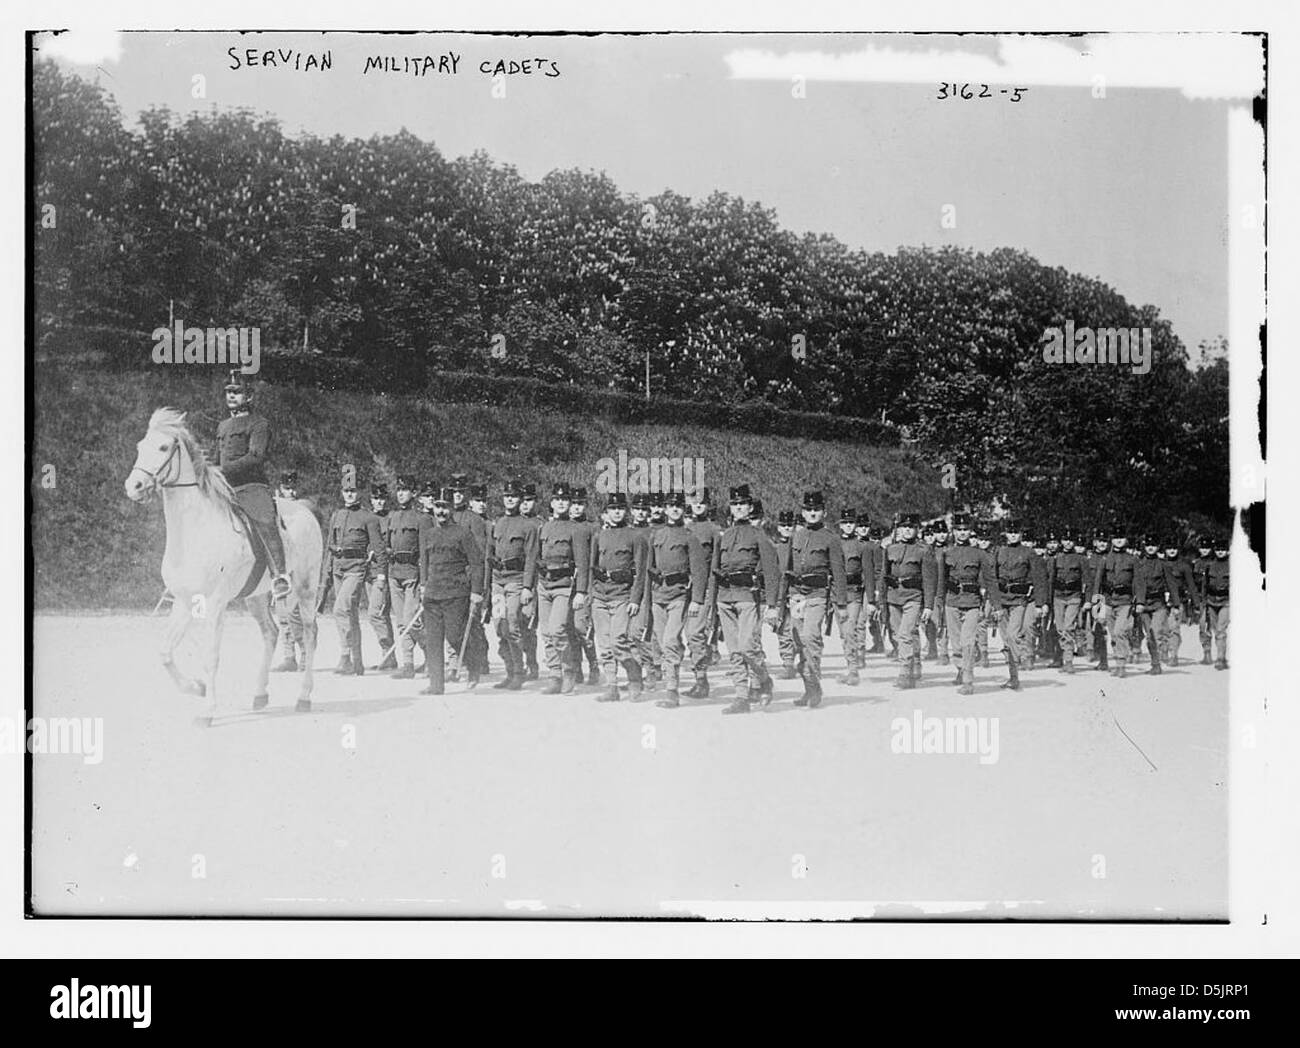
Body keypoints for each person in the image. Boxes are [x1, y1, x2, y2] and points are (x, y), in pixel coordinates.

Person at [215, 371, 291, 600]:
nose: (231, 396)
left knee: (265, 520)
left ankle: (280, 575)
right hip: (223, 486)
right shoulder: (223, 425)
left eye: (237, 392)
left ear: (248, 396)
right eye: (229, 391)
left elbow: (256, 457)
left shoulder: (259, 423)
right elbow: (214, 455)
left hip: (251, 486)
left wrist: (223, 470)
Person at [714, 484, 780, 715]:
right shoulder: (725, 535)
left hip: (747, 597)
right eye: (735, 504)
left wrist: (772, 606)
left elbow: (772, 572)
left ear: (750, 507)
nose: (739, 508)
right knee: (733, 651)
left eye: (743, 504)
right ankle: (741, 696)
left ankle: (763, 678)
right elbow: (715, 569)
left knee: (747, 648)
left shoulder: (758, 535)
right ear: (730, 508)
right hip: (724, 598)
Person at [781, 491, 848, 707]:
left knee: (811, 637)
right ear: (802, 512)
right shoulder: (796, 536)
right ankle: (809, 688)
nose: (812, 513)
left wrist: (841, 603)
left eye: (816, 509)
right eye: (808, 509)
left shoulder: (831, 538)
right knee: (799, 640)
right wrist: (780, 601)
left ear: (824, 512)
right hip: (797, 594)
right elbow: (787, 569)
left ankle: (814, 680)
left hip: (818, 594)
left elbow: (838, 573)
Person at [416, 487, 485, 694]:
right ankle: (436, 685)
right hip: (432, 595)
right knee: (433, 639)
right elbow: (424, 562)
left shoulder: (463, 533)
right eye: (438, 507)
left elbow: (477, 563)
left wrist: (476, 591)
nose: (441, 512)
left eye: (445, 507)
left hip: (456, 594)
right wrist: (422, 585)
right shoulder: (429, 534)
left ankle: (474, 666)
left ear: (452, 508)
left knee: (455, 636)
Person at [527, 483, 591, 695]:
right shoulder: (542, 528)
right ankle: (554, 675)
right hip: (544, 585)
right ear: (552, 503)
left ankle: (569, 669)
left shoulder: (577, 529)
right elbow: (532, 558)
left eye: (566, 500)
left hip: (565, 586)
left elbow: (582, 564)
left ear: (570, 503)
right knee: (546, 632)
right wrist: (527, 586)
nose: (562, 503)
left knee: (558, 629)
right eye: (558, 500)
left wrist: (581, 592)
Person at [318, 477, 387, 676]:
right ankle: (357, 662)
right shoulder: (336, 515)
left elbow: (379, 548)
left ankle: (345, 655)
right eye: (347, 490)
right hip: (339, 568)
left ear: (359, 493)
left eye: (354, 490)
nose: (350, 494)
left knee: (340, 609)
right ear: (341, 492)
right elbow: (330, 546)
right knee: (351, 615)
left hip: (357, 569)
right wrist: (327, 575)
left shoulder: (368, 518)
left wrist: (381, 575)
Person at [646, 492, 708, 708]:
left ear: (684, 509)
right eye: (671, 505)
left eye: (678, 506)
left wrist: (696, 600)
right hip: (658, 595)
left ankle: (671, 690)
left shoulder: (689, 537)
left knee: (670, 640)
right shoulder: (656, 535)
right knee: (663, 642)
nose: (675, 509)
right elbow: (648, 569)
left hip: (679, 596)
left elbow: (699, 572)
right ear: (664, 509)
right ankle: (673, 673)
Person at [589, 493, 648, 701]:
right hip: (600, 596)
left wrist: (635, 599)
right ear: (606, 512)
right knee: (604, 644)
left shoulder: (635, 537)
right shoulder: (599, 536)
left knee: (618, 641)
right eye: (613, 508)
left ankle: (634, 676)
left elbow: (641, 572)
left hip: (622, 595)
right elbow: (592, 566)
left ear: (626, 511)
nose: (616, 512)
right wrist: (591, 594)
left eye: (620, 508)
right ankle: (611, 686)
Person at [937, 512, 998, 695]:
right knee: (956, 643)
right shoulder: (946, 553)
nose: (962, 533)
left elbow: (990, 579)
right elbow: (941, 580)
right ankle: (961, 669)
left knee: (968, 641)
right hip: (952, 602)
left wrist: (997, 605)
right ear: (953, 531)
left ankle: (968, 680)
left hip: (972, 602)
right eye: (958, 529)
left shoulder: (979, 554)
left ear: (970, 532)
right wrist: (939, 603)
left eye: (965, 530)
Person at [876, 512, 937, 690]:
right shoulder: (890, 549)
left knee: (905, 633)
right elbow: (883, 576)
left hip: (913, 596)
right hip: (893, 597)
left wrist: (928, 606)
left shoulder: (924, 551)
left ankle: (904, 672)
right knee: (897, 633)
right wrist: (881, 601)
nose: (907, 530)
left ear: (917, 529)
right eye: (904, 527)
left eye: (911, 527)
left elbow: (929, 580)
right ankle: (915, 661)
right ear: (898, 529)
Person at [491, 478, 539, 691]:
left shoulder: (528, 526)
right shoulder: (499, 523)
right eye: (507, 496)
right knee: (499, 626)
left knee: (512, 623)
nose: (510, 499)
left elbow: (531, 558)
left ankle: (520, 672)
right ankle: (509, 671)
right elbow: (490, 554)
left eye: (514, 497)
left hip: (517, 580)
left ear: (520, 500)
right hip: (498, 581)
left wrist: (528, 587)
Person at [991, 519, 1048, 690]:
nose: (1013, 535)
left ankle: (1015, 674)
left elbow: (1039, 579)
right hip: (1002, 600)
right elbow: (991, 578)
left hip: (1019, 600)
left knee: (1012, 635)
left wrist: (1040, 603)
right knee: (1006, 638)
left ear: (1021, 535)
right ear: (1006, 534)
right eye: (1010, 532)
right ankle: (1013, 676)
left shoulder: (1029, 553)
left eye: (1016, 533)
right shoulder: (998, 552)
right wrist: (994, 602)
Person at [384, 476, 430, 680]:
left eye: (405, 490)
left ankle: (431, 655)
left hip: (413, 572)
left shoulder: (422, 519)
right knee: (402, 622)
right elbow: (386, 545)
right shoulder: (392, 517)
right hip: (395, 573)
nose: (401, 493)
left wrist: (425, 581)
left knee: (412, 620)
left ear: (414, 494)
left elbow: (425, 552)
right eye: (399, 490)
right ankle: (408, 663)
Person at [684, 488, 723, 696]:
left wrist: (713, 593)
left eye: (702, 502)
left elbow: (717, 563)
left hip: (706, 587)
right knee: (684, 635)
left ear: (708, 505)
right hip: (684, 588)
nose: (698, 506)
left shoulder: (715, 531)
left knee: (695, 633)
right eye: (694, 502)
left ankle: (702, 680)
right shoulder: (685, 528)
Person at [1091, 526, 1139, 678]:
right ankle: (1119, 660)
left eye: (1121, 538)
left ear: (1126, 540)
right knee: (1113, 634)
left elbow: (1138, 582)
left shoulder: (1132, 560)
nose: (1119, 541)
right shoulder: (1105, 559)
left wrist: (1140, 602)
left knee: (1120, 632)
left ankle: (1121, 664)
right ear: (1112, 540)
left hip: (1125, 601)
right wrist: (1096, 606)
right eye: (1116, 538)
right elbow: (1098, 583)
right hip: (1109, 602)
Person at [271, 470, 306, 672]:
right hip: (281, 567)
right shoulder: (275, 511)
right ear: (280, 489)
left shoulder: (303, 511)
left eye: (293, 488)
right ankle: (288, 656)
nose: (290, 492)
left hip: (299, 566)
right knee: (282, 612)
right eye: (286, 488)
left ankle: (305, 654)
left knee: (298, 613)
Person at [567, 487, 602, 684]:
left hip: (586, 583)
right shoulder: (561, 525)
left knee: (582, 627)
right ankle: (576, 666)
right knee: (568, 627)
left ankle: (593, 664)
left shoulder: (592, 528)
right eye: (573, 503)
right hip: (565, 583)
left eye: (580, 504)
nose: (576, 507)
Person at [1049, 529, 1089, 674]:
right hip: (1058, 596)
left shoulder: (1081, 559)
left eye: (1070, 540)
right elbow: (1051, 580)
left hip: (1074, 596)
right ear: (1061, 542)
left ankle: (1069, 660)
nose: (1068, 543)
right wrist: (1048, 601)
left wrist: (1087, 600)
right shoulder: (1056, 558)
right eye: (1065, 540)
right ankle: (1062, 657)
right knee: (1060, 628)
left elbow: (1087, 580)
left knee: (1068, 627)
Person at [366, 482, 396, 671]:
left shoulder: (391, 519)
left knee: (374, 614)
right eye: (376, 499)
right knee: (381, 614)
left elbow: (396, 545)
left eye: (382, 498)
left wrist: (383, 551)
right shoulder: (367, 518)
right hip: (369, 573)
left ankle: (389, 652)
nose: (379, 502)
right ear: (371, 500)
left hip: (385, 572)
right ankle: (389, 656)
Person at [837, 507, 869, 685]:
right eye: (845, 523)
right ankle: (850, 664)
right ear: (841, 525)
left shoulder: (861, 546)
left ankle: (853, 669)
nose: (849, 526)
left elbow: (868, 573)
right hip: (837, 593)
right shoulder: (834, 543)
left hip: (855, 592)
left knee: (850, 629)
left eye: (851, 523)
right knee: (843, 632)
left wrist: (871, 598)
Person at [772, 509, 799, 678]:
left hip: (797, 592)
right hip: (781, 594)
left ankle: (803, 662)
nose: (787, 528)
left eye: (790, 525)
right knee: (782, 629)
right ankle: (788, 663)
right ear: (779, 528)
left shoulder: (799, 547)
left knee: (799, 630)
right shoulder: (775, 548)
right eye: (784, 525)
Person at [1201, 533, 1230, 670]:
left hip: (1226, 602)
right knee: (1213, 628)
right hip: (1211, 602)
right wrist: (1203, 601)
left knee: (1220, 630)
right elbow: (1205, 585)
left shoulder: (1233, 565)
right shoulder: (1209, 566)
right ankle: (1216, 655)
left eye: (1222, 549)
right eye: (1218, 550)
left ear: (1228, 550)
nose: (1220, 552)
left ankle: (1220, 658)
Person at [1192, 535, 1216, 664]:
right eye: (1202, 547)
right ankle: (1207, 652)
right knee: (1203, 625)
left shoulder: (1216, 563)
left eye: (1207, 547)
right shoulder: (1196, 564)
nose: (1205, 550)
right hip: (1202, 600)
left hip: (1215, 598)